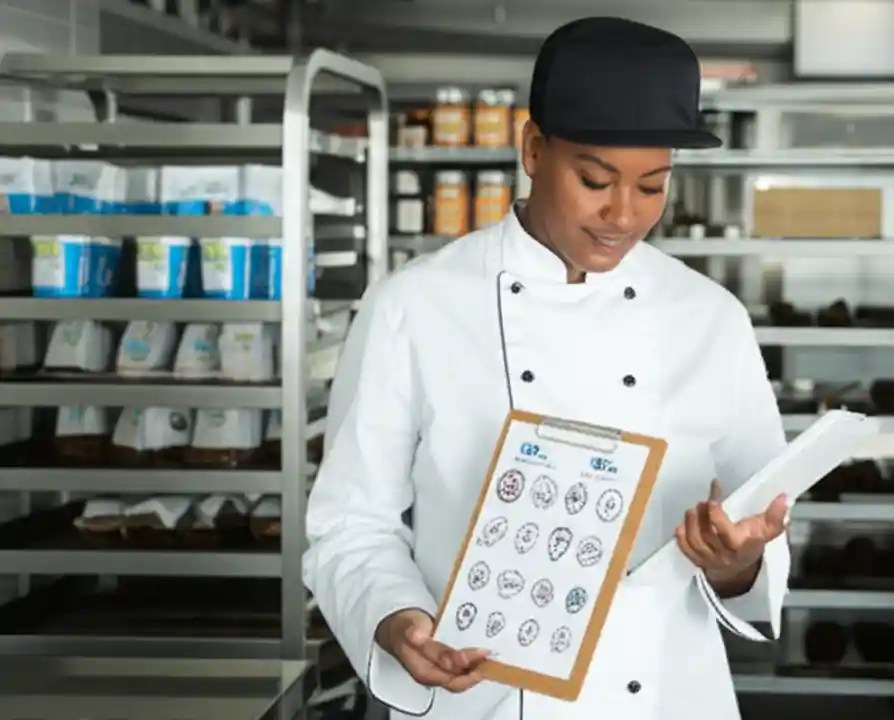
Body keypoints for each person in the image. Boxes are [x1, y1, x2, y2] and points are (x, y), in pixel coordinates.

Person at [305, 16, 790, 720]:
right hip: (482, 698)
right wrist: (396, 616)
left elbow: (763, 515)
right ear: (533, 147)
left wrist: (738, 562)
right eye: (595, 179)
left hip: (665, 696)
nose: (622, 215)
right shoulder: (415, 306)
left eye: (653, 186)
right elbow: (350, 524)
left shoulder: (710, 318)